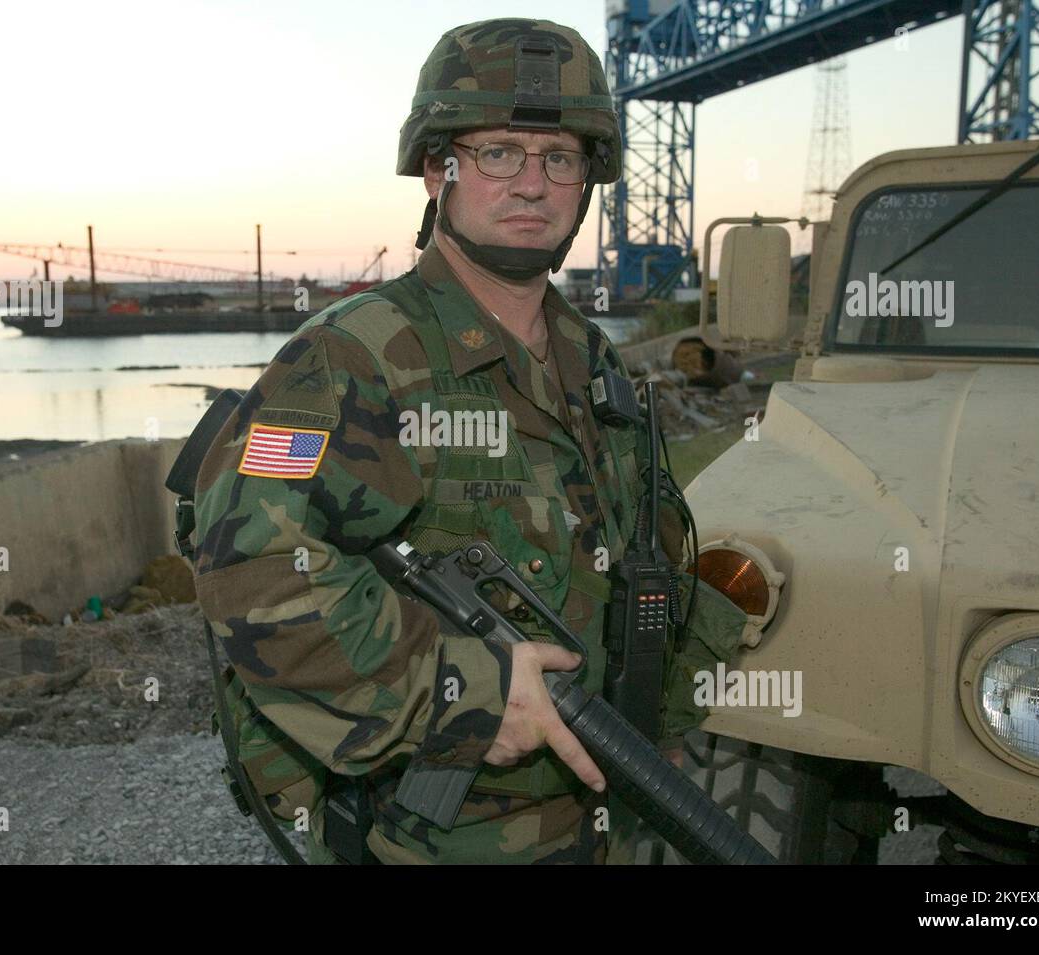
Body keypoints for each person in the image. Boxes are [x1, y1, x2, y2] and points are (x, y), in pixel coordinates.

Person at [191, 17, 746, 864]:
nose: (532, 183)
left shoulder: (593, 362)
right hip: (430, 835)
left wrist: (656, 717)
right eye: (497, 153)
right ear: (436, 170)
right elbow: (252, 573)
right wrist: (467, 691)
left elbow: (643, 556)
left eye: (560, 157)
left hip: (601, 814)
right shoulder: (348, 359)